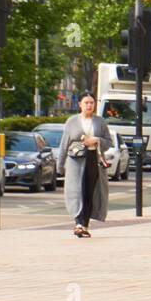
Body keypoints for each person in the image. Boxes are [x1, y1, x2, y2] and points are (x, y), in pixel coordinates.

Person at [58, 93, 111, 238]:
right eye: (86, 102)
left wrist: (96, 140)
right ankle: (78, 223)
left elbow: (108, 142)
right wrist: (60, 164)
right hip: (76, 160)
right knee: (76, 191)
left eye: (92, 103)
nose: (89, 105)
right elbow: (64, 144)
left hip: (94, 160)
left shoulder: (100, 122)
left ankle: (84, 224)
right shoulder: (72, 122)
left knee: (90, 192)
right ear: (80, 104)